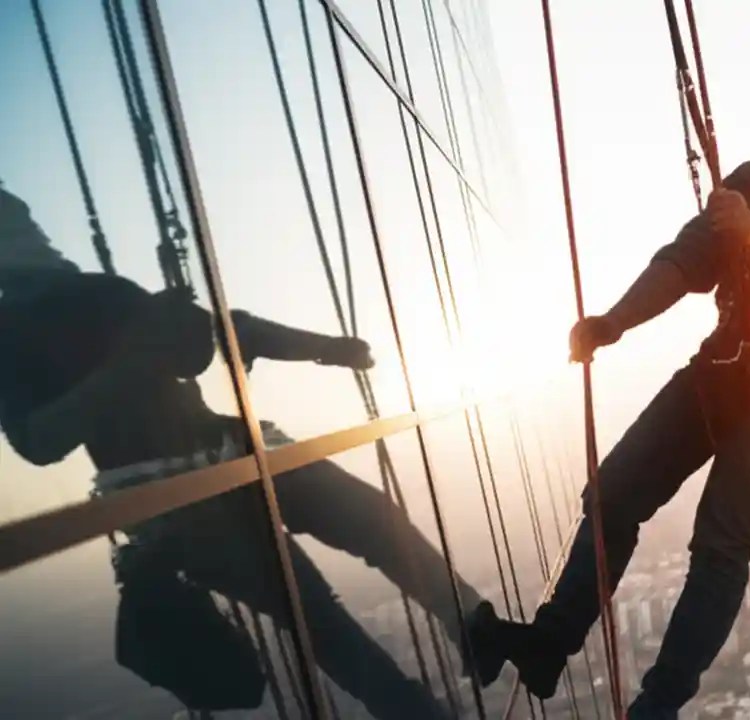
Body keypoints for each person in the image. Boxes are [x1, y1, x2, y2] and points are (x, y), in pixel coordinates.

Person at [467, 28, 750, 716]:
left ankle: (658, 706)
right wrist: (614, 321)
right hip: (726, 369)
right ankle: (549, 646)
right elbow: (685, 262)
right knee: (614, 493)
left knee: (721, 538)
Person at [0, 184, 484, 719]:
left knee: (364, 536)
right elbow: (38, 441)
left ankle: (462, 637)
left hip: (215, 464)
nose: (27, 234)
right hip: (177, 502)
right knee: (317, 611)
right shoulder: (17, 329)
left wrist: (323, 349)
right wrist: (138, 356)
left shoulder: (101, 293)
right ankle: (417, 708)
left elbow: (216, 334)